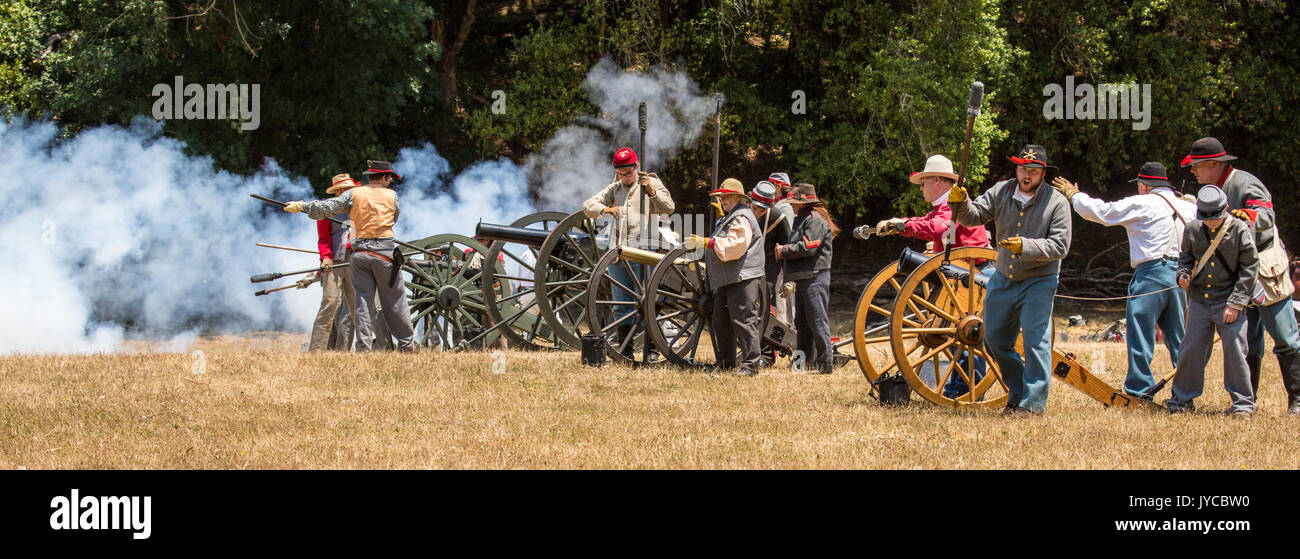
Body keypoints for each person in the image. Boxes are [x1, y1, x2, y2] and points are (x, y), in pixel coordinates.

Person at [1053, 162, 1195, 398]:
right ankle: (1185, 393)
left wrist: (1075, 195)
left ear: (1143, 185)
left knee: (1140, 334)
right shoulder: (1188, 207)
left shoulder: (1142, 202)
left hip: (1151, 273)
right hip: (1181, 276)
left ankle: (1139, 389)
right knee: (1179, 338)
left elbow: (1102, 212)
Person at [950, 144, 1072, 415]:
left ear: (1043, 173)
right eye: (1022, 168)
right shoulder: (1002, 190)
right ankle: (1018, 391)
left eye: (1032, 170)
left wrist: (1025, 247)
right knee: (992, 339)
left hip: (1039, 280)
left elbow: (1060, 246)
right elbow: (972, 217)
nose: (1026, 175)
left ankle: (1033, 404)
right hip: (1004, 277)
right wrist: (960, 202)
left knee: (1034, 340)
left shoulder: (1057, 202)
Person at [1184, 137, 1300, 415]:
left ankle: (1298, 399)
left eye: (1197, 166)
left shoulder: (1244, 183)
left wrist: (1244, 215)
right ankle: (1247, 402)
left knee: (1286, 337)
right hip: (1236, 275)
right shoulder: (1213, 188)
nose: (1193, 171)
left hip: (1263, 271)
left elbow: (1266, 216)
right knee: (1251, 343)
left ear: (1214, 164)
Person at [877, 154, 991, 398]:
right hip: (961, 275)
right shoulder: (943, 205)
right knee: (961, 333)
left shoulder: (954, 203)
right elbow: (929, 222)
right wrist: (902, 224)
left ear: (937, 180)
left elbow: (939, 227)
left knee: (969, 332)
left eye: (923, 183)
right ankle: (960, 388)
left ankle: (966, 390)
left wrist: (903, 224)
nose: (920, 188)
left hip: (977, 275)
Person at [285, 160, 417, 352]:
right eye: (390, 177)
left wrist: (301, 206)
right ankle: (407, 346)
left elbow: (325, 208)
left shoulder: (354, 194)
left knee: (362, 302)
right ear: (385, 177)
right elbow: (394, 217)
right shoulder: (392, 195)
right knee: (395, 300)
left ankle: (363, 347)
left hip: (359, 253)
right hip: (384, 252)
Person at [1167, 185, 1258, 416]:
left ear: (1225, 208)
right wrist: (1183, 274)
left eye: (1215, 217)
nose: (1211, 222)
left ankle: (1243, 405)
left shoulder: (1239, 229)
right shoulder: (1193, 229)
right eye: (1206, 218)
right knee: (1190, 350)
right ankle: (1180, 401)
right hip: (1200, 299)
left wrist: (1236, 303)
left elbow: (1249, 268)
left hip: (1229, 299)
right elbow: (1185, 257)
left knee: (1235, 351)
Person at [582, 147, 675, 350]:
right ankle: (626, 349)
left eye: (628, 173)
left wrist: (650, 190)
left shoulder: (651, 182)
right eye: (621, 173)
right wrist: (605, 209)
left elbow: (668, 208)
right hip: (618, 252)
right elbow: (588, 205)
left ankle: (650, 349)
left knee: (646, 302)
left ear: (636, 167)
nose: (624, 177)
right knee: (621, 305)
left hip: (644, 251)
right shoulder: (614, 188)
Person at [685, 178, 766, 376]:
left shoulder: (742, 216)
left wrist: (709, 242)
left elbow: (735, 245)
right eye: (721, 197)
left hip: (743, 276)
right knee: (721, 320)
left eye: (727, 196)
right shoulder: (732, 216)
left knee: (744, 319)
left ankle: (751, 365)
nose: (723, 200)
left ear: (738, 197)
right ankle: (726, 363)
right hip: (728, 278)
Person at [775, 183, 838, 374]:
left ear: (804, 203)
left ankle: (825, 364)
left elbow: (809, 247)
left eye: (795, 202)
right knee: (802, 325)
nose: (792, 205)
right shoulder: (803, 218)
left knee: (818, 322)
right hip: (805, 277)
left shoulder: (814, 220)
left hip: (815, 277)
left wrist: (783, 250)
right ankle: (801, 364)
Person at [299, 173, 359, 351]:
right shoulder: (327, 208)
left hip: (355, 259)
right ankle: (316, 349)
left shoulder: (358, 206)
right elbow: (323, 238)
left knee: (358, 307)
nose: (349, 192)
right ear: (339, 191)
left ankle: (365, 348)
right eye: (346, 190)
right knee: (330, 303)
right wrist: (325, 257)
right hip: (334, 260)